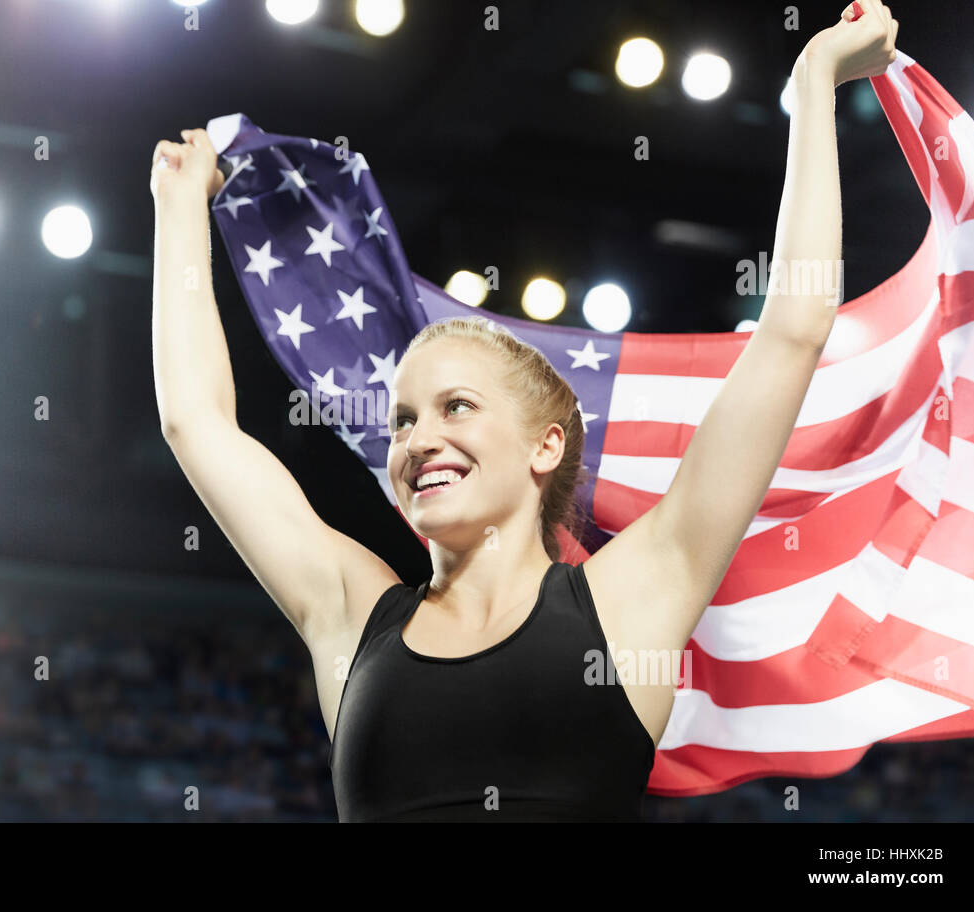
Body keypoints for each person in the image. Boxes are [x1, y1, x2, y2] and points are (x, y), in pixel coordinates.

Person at [150, 0, 899, 821]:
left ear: (546, 445)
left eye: (454, 407)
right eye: (402, 419)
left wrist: (814, 82)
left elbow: (792, 332)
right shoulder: (349, 616)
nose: (417, 439)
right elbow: (198, 424)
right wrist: (181, 212)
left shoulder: (633, 598)